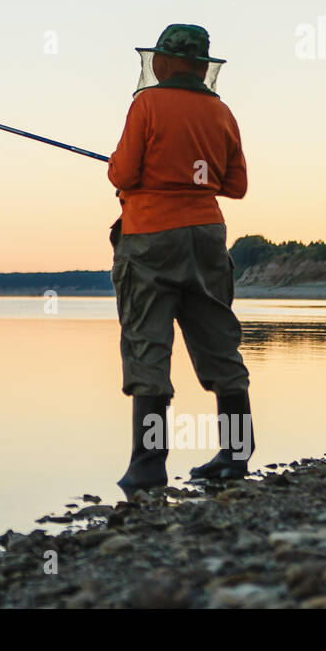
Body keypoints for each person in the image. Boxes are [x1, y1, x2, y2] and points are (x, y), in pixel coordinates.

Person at [108, 24, 254, 496]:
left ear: (163, 63)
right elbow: (235, 187)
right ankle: (235, 456)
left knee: (149, 347)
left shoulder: (146, 104)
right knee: (219, 342)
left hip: (150, 236)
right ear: (202, 67)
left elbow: (124, 171)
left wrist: (129, 173)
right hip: (207, 238)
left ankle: (149, 466)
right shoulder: (222, 112)